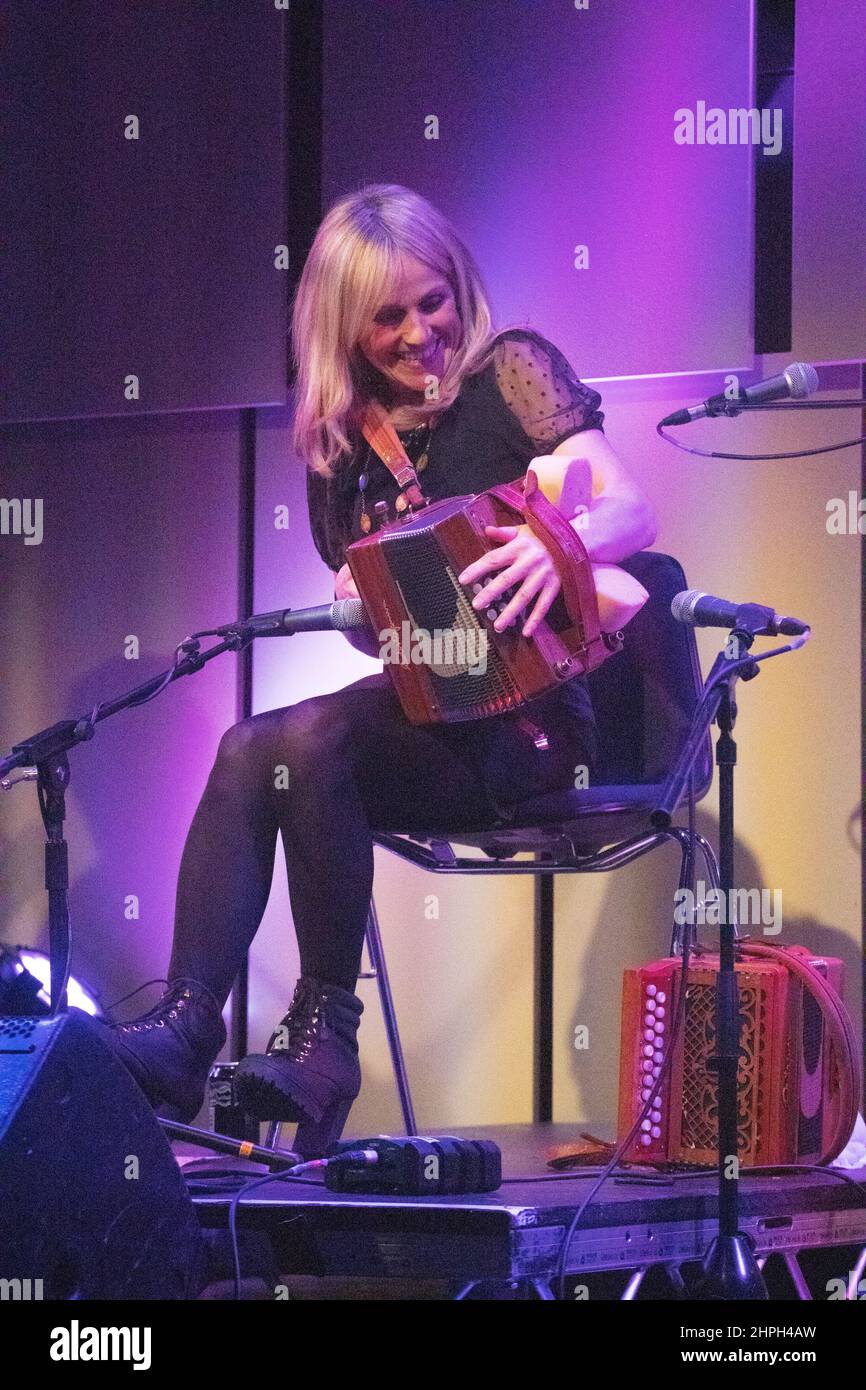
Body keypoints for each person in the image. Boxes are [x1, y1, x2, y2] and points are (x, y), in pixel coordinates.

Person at [101, 184, 656, 1155]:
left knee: (309, 740)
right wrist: (386, 611)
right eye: (387, 317)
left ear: (458, 288)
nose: (418, 334)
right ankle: (191, 1030)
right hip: (426, 719)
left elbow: (630, 510)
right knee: (251, 745)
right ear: (345, 329)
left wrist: (554, 542)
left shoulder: (512, 371)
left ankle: (321, 1042)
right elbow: (378, 637)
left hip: (531, 729)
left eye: (431, 301)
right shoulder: (344, 447)